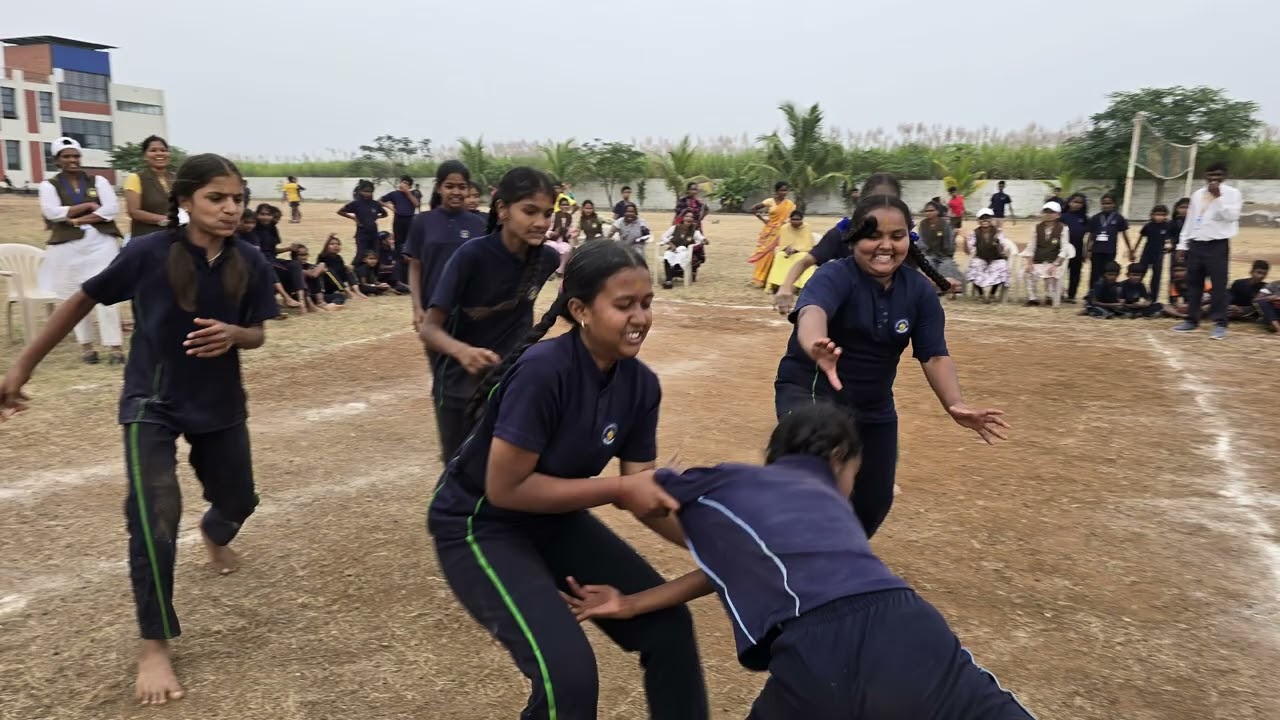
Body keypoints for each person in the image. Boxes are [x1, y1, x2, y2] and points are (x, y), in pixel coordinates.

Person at [1, 153, 278, 705]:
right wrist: (21, 368)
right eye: (215, 198)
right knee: (154, 516)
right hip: (150, 400)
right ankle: (154, 642)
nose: (229, 209)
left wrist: (235, 335)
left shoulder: (250, 259)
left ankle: (215, 533)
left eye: (237, 199)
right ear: (184, 201)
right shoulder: (149, 253)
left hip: (219, 402)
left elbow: (258, 333)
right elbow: (83, 299)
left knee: (240, 499)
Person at [562, 405, 1035, 720]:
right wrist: (636, 601)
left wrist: (664, 485)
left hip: (820, 650)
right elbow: (724, 566)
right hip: (909, 625)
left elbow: (644, 498)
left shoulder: (735, 480)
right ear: (837, 459)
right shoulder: (828, 503)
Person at [426, 239, 709, 720]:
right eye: (624, 305)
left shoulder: (641, 385)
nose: (640, 317)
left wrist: (712, 544)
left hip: (553, 519)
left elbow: (640, 493)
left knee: (668, 626)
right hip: (480, 525)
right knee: (568, 676)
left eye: (646, 303)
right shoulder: (544, 371)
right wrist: (619, 489)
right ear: (580, 309)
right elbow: (506, 489)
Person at [775, 194, 1008, 538]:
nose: (885, 246)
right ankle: (787, 550)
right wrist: (815, 345)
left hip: (873, 405)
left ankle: (841, 556)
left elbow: (934, 355)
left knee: (875, 499)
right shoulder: (834, 275)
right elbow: (813, 313)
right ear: (853, 238)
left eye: (896, 236)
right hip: (812, 392)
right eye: (873, 235)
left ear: (908, 240)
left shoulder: (918, 292)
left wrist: (954, 403)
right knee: (824, 469)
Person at [419, 167, 561, 463]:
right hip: (460, 388)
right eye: (530, 211)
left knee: (510, 471)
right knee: (459, 473)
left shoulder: (547, 259)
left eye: (547, 214)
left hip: (512, 386)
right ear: (502, 209)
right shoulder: (471, 257)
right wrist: (463, 352)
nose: (541, 222)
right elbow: (429, 330)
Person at [37, 137, 126, 365]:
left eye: (75, 155)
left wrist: (77, 220)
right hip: (68, 248)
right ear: (58, 160)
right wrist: (87, 206)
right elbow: (52, 212)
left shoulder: (98, 181)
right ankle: (87, 347)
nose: (72, 160)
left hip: (100, 244)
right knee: (74, 297)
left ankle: (115, 347)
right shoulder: (49, 185)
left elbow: (111, 209)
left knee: (108, 294)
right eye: (66, 156)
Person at [773, 173, 903, 314]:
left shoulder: (904, 241)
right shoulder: (842, 234)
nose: (885, 246)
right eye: (876, 201)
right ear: (863, 202)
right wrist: (786, 286)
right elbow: (807, 261)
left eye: (890, 201)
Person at [404, 161, 486, 337]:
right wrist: (417, 308)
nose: (456, 192)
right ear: (438, 188)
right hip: (434, 310)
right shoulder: (422, 222)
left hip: (471, 311)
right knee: (440, 362)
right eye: (449, 186)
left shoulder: (479, 224)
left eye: (461, 187)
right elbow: (415, 266)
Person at [1173, 162, 1243, 339]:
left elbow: (1231, 217)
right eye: (1210, 175)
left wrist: (1218, 197)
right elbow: (1191, 220)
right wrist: (1182, 244)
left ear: (1225, 175)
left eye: (1218, 175)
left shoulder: (1233, 194)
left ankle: (1220, 323)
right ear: (1205, 175)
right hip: (1196, 244)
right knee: (1194, 284)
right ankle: (1191, 320)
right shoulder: (1197, 194)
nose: (1214, 178)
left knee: (1218, 286)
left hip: (1217, 245)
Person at [123, 135, 176, 240]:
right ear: (145, 156)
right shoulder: (136, 178)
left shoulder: (176, 178)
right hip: (147, 238)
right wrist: (166, 220)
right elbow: (134, 211)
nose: (159, 153)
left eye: (163, 150)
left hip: (175, 238)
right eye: (153, 150)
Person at [1020, 201, 1070, 307]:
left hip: (1054, 260)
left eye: (1052, 212)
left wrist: (1056, 263)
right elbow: (1031, 246)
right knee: (1028, 271)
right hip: (1039, 260)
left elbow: (1064, 249)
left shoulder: (1063, 228)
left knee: (1052, 273)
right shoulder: (1037, 227)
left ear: (1058, 215)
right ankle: (1032, 298)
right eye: (1046, 211)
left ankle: (1050, 296)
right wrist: (1029, 262)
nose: (1048, 214)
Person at [747, 182, 795, 288]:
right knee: (765, 255)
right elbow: (753, 208)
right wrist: (763, 219)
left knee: (779, 255)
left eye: (786, 190)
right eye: (782, 190)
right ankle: (759, 279)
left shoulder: (790, 204)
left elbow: (792, 217)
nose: (784, 192)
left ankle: (773, 279)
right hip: (769, 231)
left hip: (782, 231)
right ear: (777, 191)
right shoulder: (770, 201)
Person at [380, 175, 421, 285]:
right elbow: (381, 200)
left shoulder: (413, 194)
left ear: (410, 186)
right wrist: (390, 207)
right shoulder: (394, 194)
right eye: (403, 182)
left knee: (409, 243)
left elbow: (416, 204)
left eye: (407, 183)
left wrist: (407, 193)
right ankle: (398, 268)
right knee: (398, 243)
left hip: (410, 220)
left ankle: (408, 266)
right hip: (398, 220)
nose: (404, 185)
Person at [965, 209, 1012, 302]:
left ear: (991, 220)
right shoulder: (974, 233)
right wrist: (964, 241)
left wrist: (997, 242)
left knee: (1002, 266)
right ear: (978, 221)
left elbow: (1003, 249)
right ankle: (981, 294)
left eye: (987, 218)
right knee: (975, 265)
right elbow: (969, 250)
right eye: (982, 218)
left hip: (996, 258)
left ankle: (992, 293)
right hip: (981, 257)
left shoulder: (998, 232)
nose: (984, 220)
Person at [916, 202, 962, 295]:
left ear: (937, 211)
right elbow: (920, 240)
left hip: (944, 255)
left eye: (931, 210)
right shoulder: (923, 224)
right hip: (929, 253)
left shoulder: (945, 223)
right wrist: (924, 250)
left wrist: (948, 252)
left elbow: (949, 240)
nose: (929, 213)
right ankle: (929, 290)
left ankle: (946, 288)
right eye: (927, 211)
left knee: (946, 266)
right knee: (927, 265)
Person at [1085, 194, 1130, 288]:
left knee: (1108, 271)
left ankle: (1105, 292)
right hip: (1096, 250)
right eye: (1104, 203)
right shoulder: (1096, 218)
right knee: (1094, 272)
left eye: (1109, 203)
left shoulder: (1118, 218)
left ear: (1114, 204)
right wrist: (1088, 249)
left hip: (1110, 250)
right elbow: (1091, 235)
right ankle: (1092, 293)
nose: (1106, 205)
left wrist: (1130, 249)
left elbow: (1124, 234)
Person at [338, 180, 388, 263]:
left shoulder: (375, 204)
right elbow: (340, 211)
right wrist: (354, 218)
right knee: (361, 255)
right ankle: (354, 271)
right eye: (366, 191)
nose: (368, 194)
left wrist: (376, 217)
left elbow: (385, 214)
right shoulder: (356, 204)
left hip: (374, 233)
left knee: (375, 255)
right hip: (362, 234)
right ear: (360, 191)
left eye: (370, 192)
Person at [764, 210, 814, 292]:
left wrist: (797, 250)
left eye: (798, 219)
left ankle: (800, 286)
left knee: (802, 257)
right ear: (790, 219)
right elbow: (783, 243)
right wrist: (786, 249)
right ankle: (777, 284)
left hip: (802, 251)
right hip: (787, 251)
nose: (795, 221)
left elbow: (808, 244)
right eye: (793, 219)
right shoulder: (784, 228)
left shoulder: (807, 227)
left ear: (802, 220)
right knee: (780, 256)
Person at [660, 209, 707, 288]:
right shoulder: (675, 227)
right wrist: (670, 244)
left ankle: (671, 277)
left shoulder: (694, 231)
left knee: (681, 257)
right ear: (683, 218)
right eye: (687, 216)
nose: (689, 219)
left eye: (691, 217)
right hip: (673, 250)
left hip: (684, 251)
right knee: (668, 256)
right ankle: (668, 281)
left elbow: (701, 238)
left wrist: (704, 240)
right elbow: (663, 236)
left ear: (693, 220)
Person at [1137, 204, 1173, 302]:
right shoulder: (1148, 225)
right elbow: (1141, 237)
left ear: (1166, 215)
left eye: (1162, 214)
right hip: (1147, 252)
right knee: (1140, 272)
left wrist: (1169, 246)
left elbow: (1169, 239)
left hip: (1159, 254)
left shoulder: (1167, 226)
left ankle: (1153, 297)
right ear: (1152, 215)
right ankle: (1136, 293)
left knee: (1156, 276)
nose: (1159, 217)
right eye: (1157, 214)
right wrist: (1134, 250)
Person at [1060, 193, 1090, 304]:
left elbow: (1089, 236)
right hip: (1063, 250)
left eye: (1080, 203)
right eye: (1075, 202)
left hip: (1078, 249)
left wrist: (1086, 251)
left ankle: (1071, 295)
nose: (1077, 205)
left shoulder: (1085, 218)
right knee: (1061, 273)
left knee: (1075, 273)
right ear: (1069, 202)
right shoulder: (1062, 217)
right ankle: (1059, 293)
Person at [317, 234, 366, 300]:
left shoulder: (339, 258)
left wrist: (347, 268)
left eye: (338, 244)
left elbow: (343, 272)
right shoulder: (323, 257)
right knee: (329, 271)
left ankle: (357, 291)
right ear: (326, 247)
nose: (335, 246)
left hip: (339, 282)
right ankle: (349, 293)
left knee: (347, 269)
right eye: (332, 244)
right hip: (328, 284)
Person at [545, 196, 578, 276]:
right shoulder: (554, 215)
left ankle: (560, 270)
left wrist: (572, 234)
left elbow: (571, 229)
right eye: (563, 204)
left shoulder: (569, 217)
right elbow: (547, 229)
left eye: (567, 205)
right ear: (559, 206)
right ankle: (549, 270)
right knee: (549, 247)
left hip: (563, 240)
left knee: (567, 249)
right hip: (552, 239)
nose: (565, 206)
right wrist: (552, 233)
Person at [1167, 197, 1191, 303]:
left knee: (1190, 275)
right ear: (1177, 208)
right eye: (1182, 207)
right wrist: (1170, 245)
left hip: (1191, 251)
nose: (1185, 210)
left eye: (1188, 207)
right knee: (1174, 275)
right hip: (1176, 252)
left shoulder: (1196, 222)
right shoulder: (1173, 223)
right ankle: (1173, 298)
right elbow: (1169, 237)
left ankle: (1188, 298)